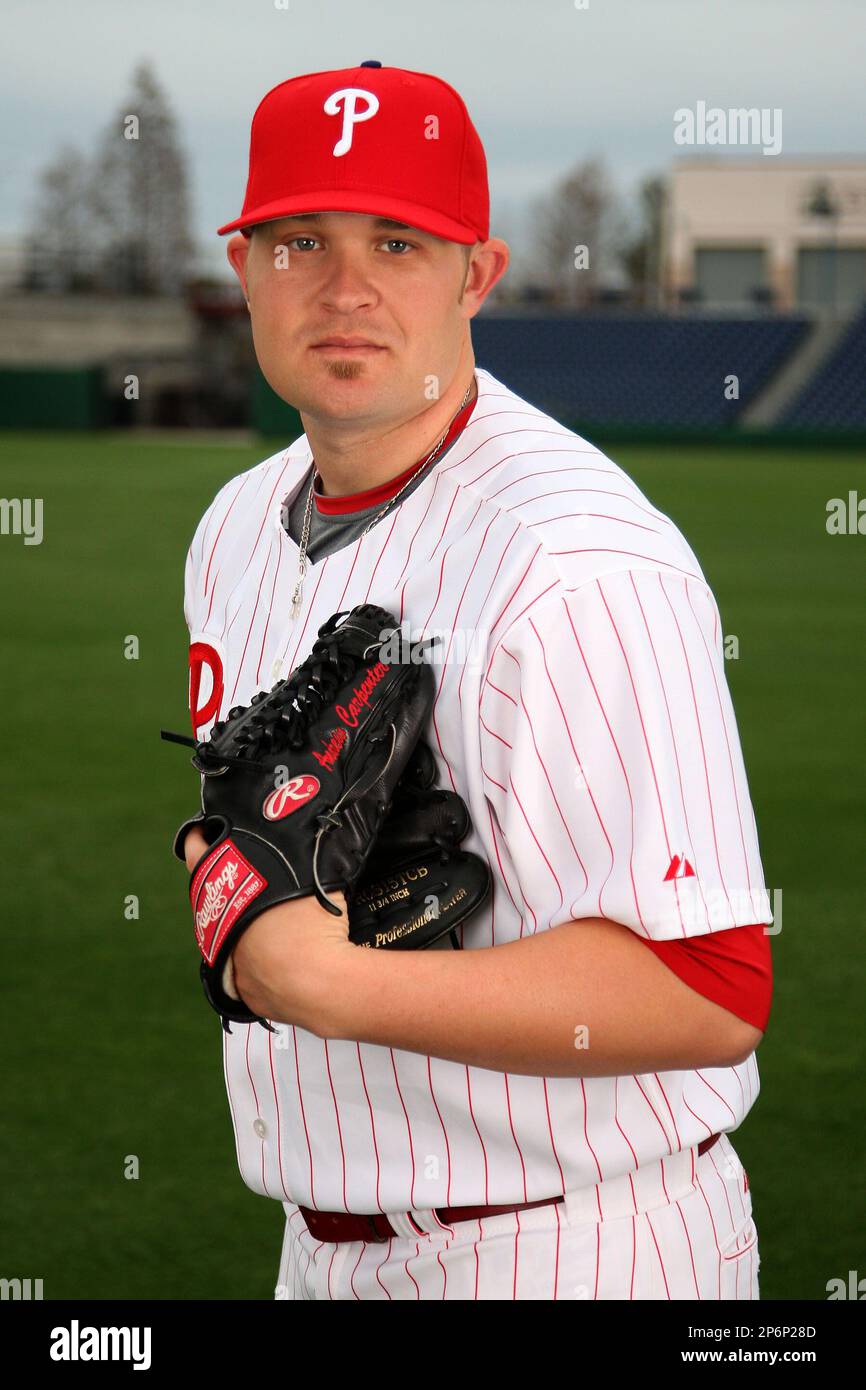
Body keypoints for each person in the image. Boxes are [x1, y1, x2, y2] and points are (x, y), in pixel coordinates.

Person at [179, 61, 773, 1300]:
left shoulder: (577, 558)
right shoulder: (233, 527)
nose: (343, 290)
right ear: (242, 271)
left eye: (397, 241)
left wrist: (332, 978)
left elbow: (712, 986)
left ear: (476, 274)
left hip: (574, 1244)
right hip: (318, 1241)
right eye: (297, 242)